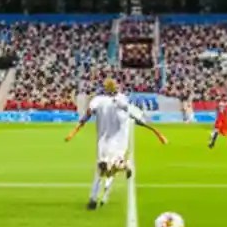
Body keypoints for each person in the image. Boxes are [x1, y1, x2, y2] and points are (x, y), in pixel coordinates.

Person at [65, 78, 168, 209]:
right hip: (114, 141)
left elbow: (87, 116)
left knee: (103, 169)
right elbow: (139, 118)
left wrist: (74, 132)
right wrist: (157, 133)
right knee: (106, 169)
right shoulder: (116, 100)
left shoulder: (102, 100)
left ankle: (95, 197)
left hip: (111, 142)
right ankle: (118, 174)